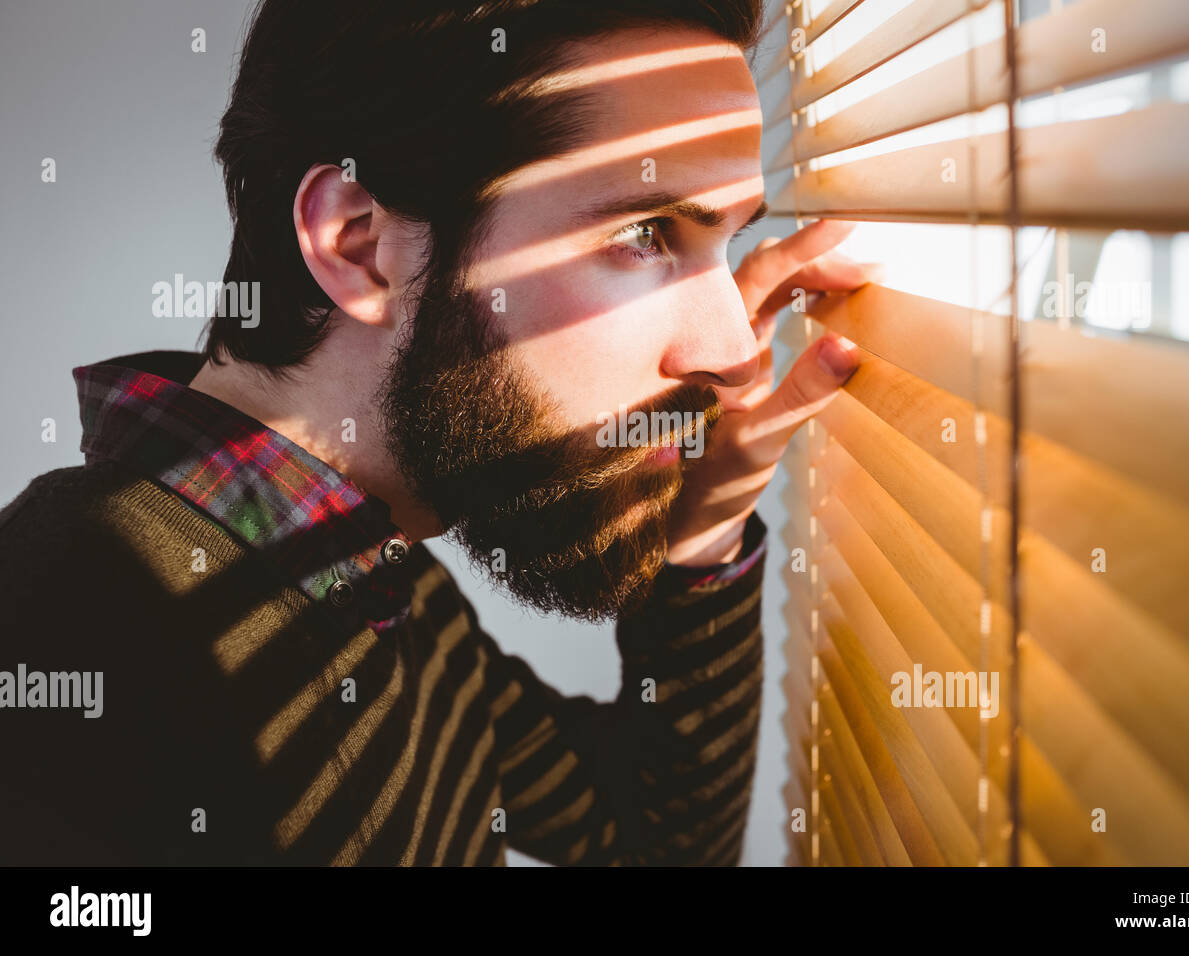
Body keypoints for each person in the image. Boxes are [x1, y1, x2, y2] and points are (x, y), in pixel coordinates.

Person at [0, 0, 872, 865]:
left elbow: (648, 840)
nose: (731, 355)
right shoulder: (86, 615)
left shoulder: (366, 572)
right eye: (645, 234)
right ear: (358, 244)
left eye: (722, 243)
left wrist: (704, 528)